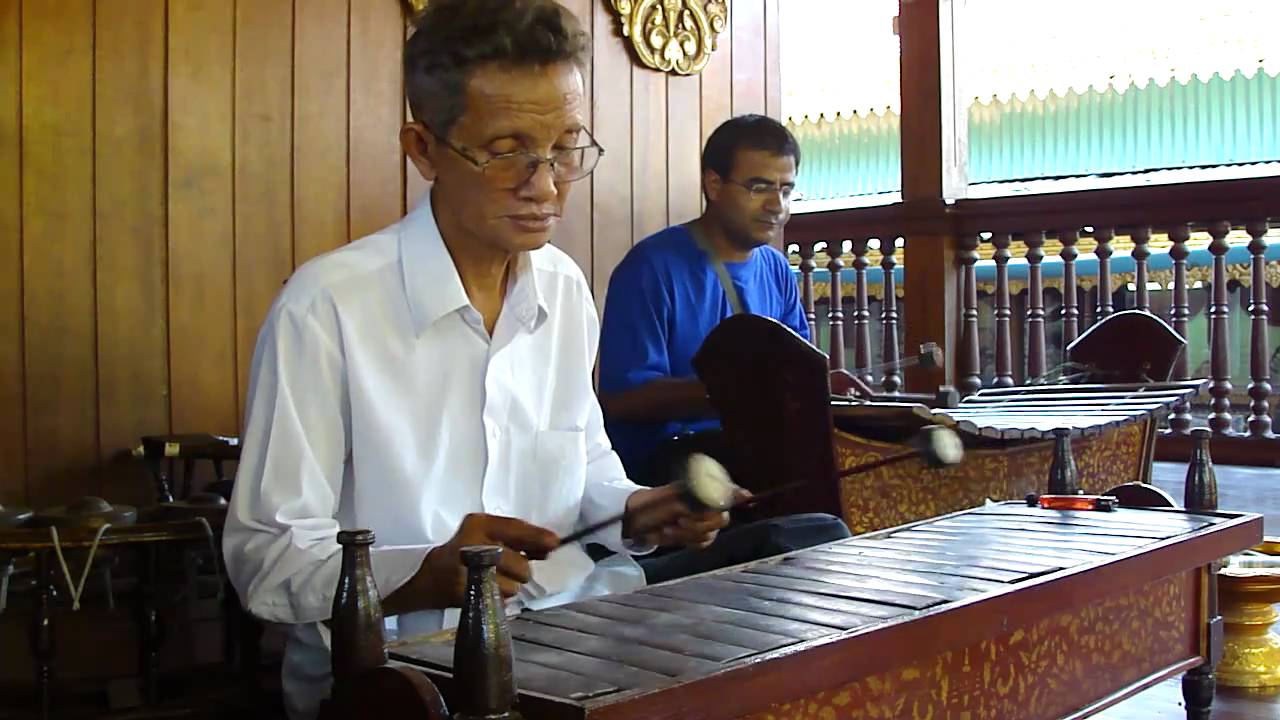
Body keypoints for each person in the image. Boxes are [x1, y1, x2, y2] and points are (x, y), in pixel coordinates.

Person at [222, 3, 731, 717]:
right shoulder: (328, 308)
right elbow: (268, 559)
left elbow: (585, 474)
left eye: (565, 149)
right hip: (395, 678)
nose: (547, 184)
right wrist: (417, 576)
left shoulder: (563, 289)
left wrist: (638, 513)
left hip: (566, 639)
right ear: (423, 149)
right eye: (506, 151)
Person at [597, 115, 850, 583]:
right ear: (714, 184)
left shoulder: (776, 269)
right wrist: (729, 395)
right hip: (669, 457)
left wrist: (826, 389)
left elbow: (792, 372)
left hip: (755, 453)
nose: (777, 205)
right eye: (759, 187)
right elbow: (621, 397)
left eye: (787, 189)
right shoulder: (652, 267)